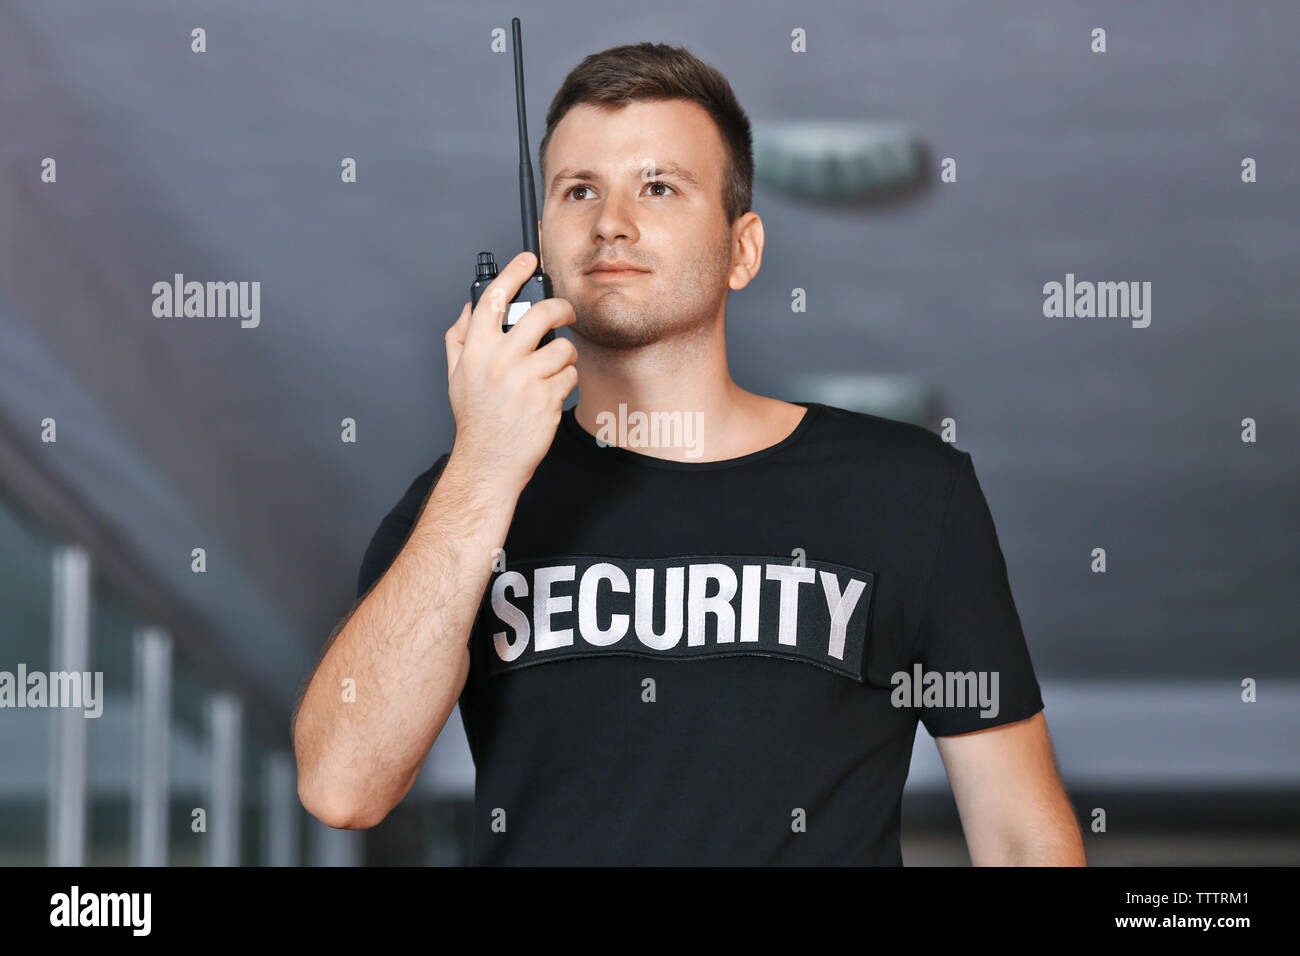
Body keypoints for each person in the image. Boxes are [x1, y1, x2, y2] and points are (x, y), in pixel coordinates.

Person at [292, 41, 1087, 866]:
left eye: (659, 186)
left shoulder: (910, 492)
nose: (611, 222)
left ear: (743, 250)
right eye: (579, 191)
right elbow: (343, 786)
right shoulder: (462, 499)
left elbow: (1024, 839)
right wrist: (486, 467)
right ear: (542, 242)